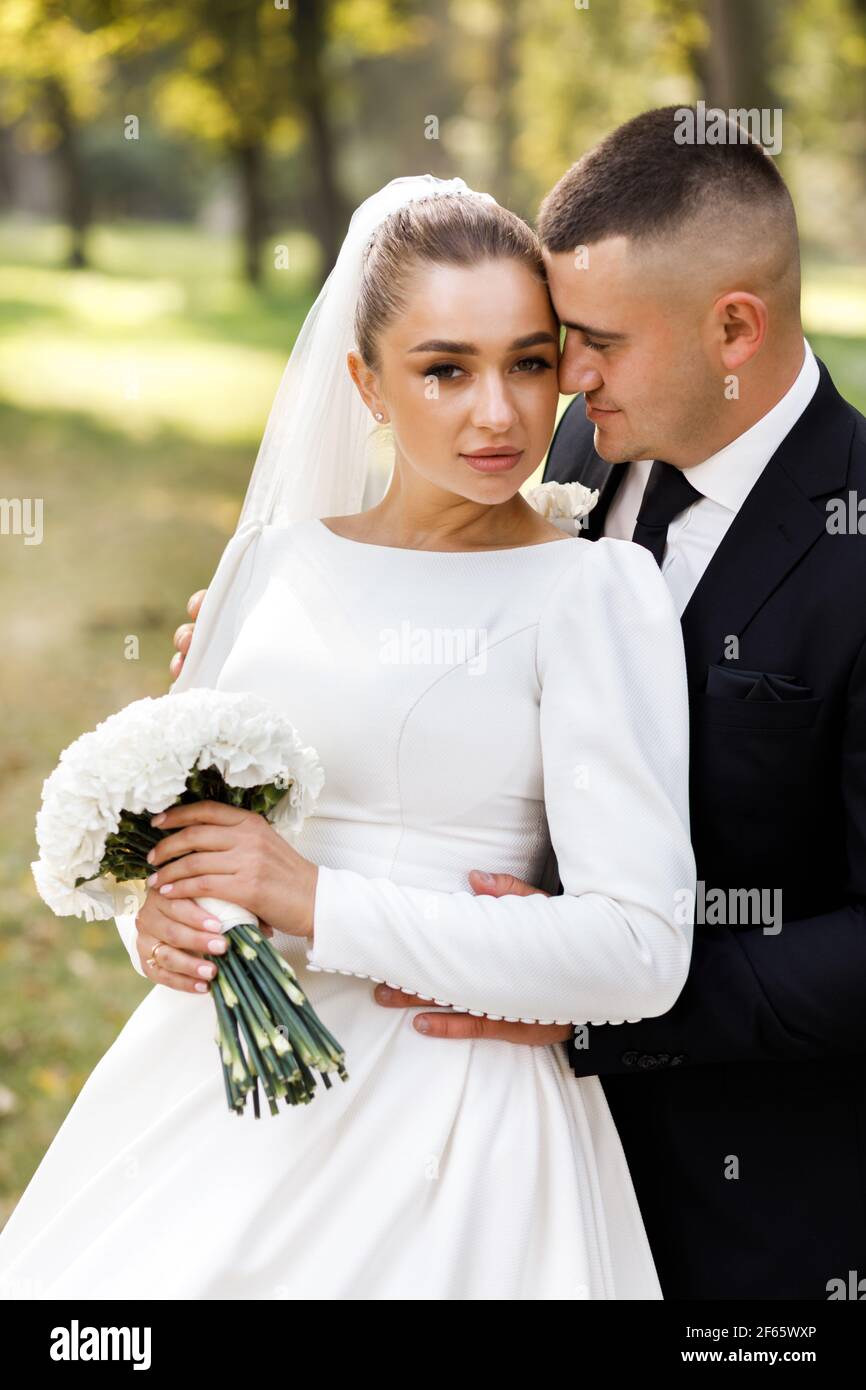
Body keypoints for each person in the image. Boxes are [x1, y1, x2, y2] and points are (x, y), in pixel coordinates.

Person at [0, 175, 694, 1301]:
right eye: (443, 369)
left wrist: (314, 899)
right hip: (217, 1091)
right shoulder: (267, 562)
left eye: (528, 361)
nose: (499, 413)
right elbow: (189, 841)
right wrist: (160, 922)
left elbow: (639, 951)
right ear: (365, 383)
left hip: (447, 1122)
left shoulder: (591, 592)